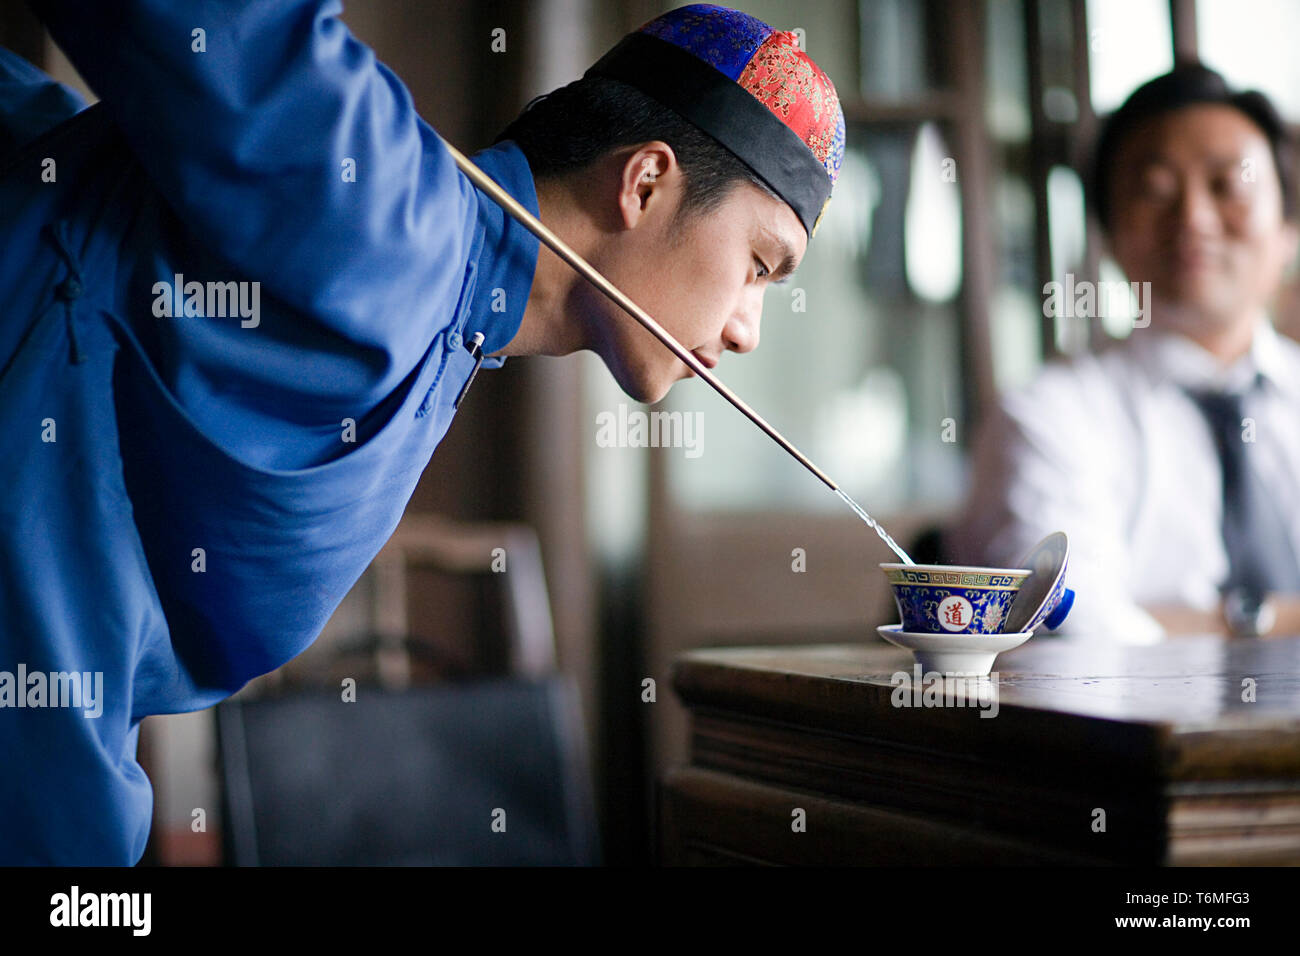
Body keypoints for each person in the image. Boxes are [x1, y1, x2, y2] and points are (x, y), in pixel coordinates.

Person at [0, 1, 844, 864]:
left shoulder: (456, 317)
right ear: (645, 183)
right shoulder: (395, 216)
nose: (747, 329)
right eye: (759, 265)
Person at [949, 64, 1300, 643]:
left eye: (1228, 187)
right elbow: (1070, 627)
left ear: (1287, 227)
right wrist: (1271, 619)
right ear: (1108, 235)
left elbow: (1121, 628)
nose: (1194, 219)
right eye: (1156, 192)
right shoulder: (1048, 416)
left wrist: (1172, 622)